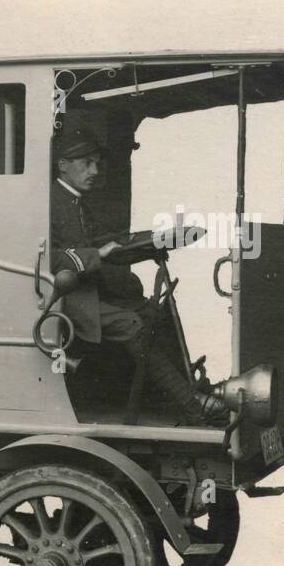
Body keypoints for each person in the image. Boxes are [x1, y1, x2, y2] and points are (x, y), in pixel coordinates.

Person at [50, 126, 226, 425]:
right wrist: (98, 255)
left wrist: (153, 242)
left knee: (155, 312)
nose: (94, 170)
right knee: (131, 324)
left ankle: (182, 393)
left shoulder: (75, 202)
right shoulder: (49, 202)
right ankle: (191, 404)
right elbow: (51, 256)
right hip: (66, 300)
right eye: (86, 163)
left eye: (96, 163)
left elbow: (106, 243)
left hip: (89, 295)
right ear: (63, 165)